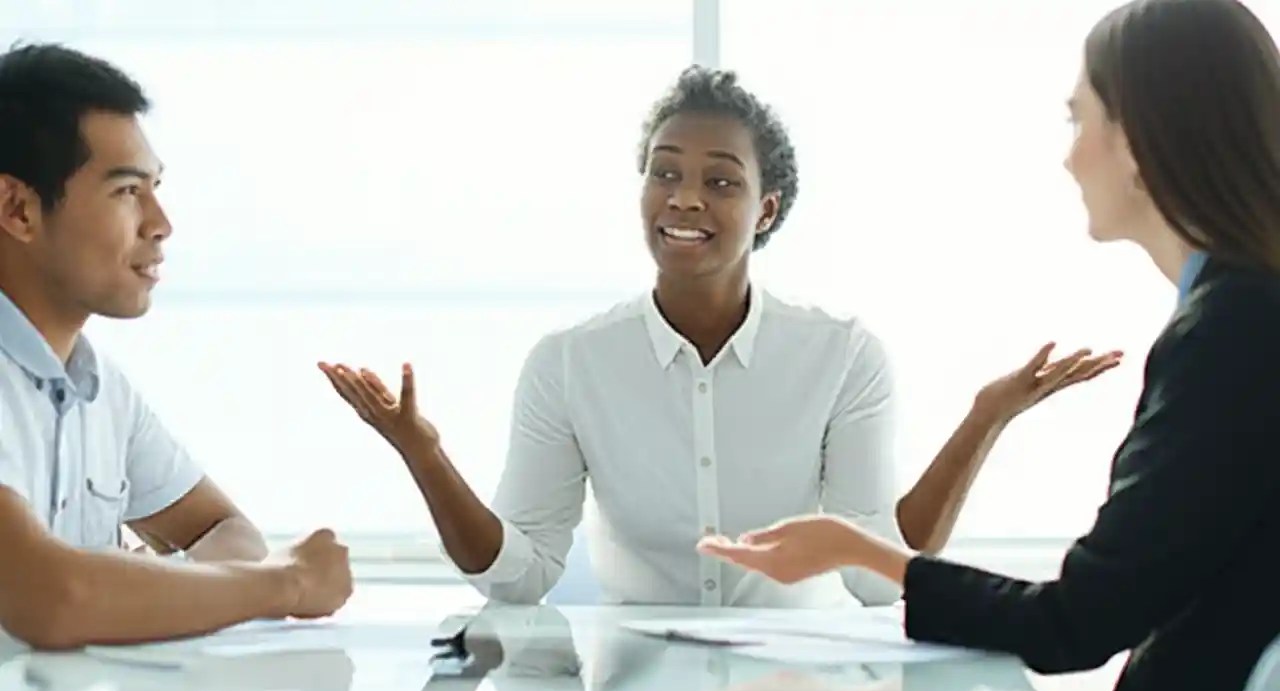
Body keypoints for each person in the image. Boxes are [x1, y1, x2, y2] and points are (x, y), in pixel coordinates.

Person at [320, 67, 1118, 608]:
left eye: (721, 180)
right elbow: (518, 577)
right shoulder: (568, 363)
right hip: (629, 688)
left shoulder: (842, 356)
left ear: (766, 209)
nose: (685, 199)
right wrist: (422, 452)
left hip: (794, 690)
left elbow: (878, 580)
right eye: (664, 172)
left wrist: (984, 419)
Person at [697, 1, 1280, 691]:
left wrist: (866, 554)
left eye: (1078, 120)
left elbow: (1075, 623)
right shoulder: (1245, 317)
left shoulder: (1229, 335)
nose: (1068, 157)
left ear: (1135, 140)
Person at [0, 43, 353, 649]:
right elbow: (55, 600)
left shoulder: (101, 388)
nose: (161, 223)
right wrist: (289, 583)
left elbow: (229, 532)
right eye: (126, 191)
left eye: (155, 187)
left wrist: (135, 589)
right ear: (18, 209)